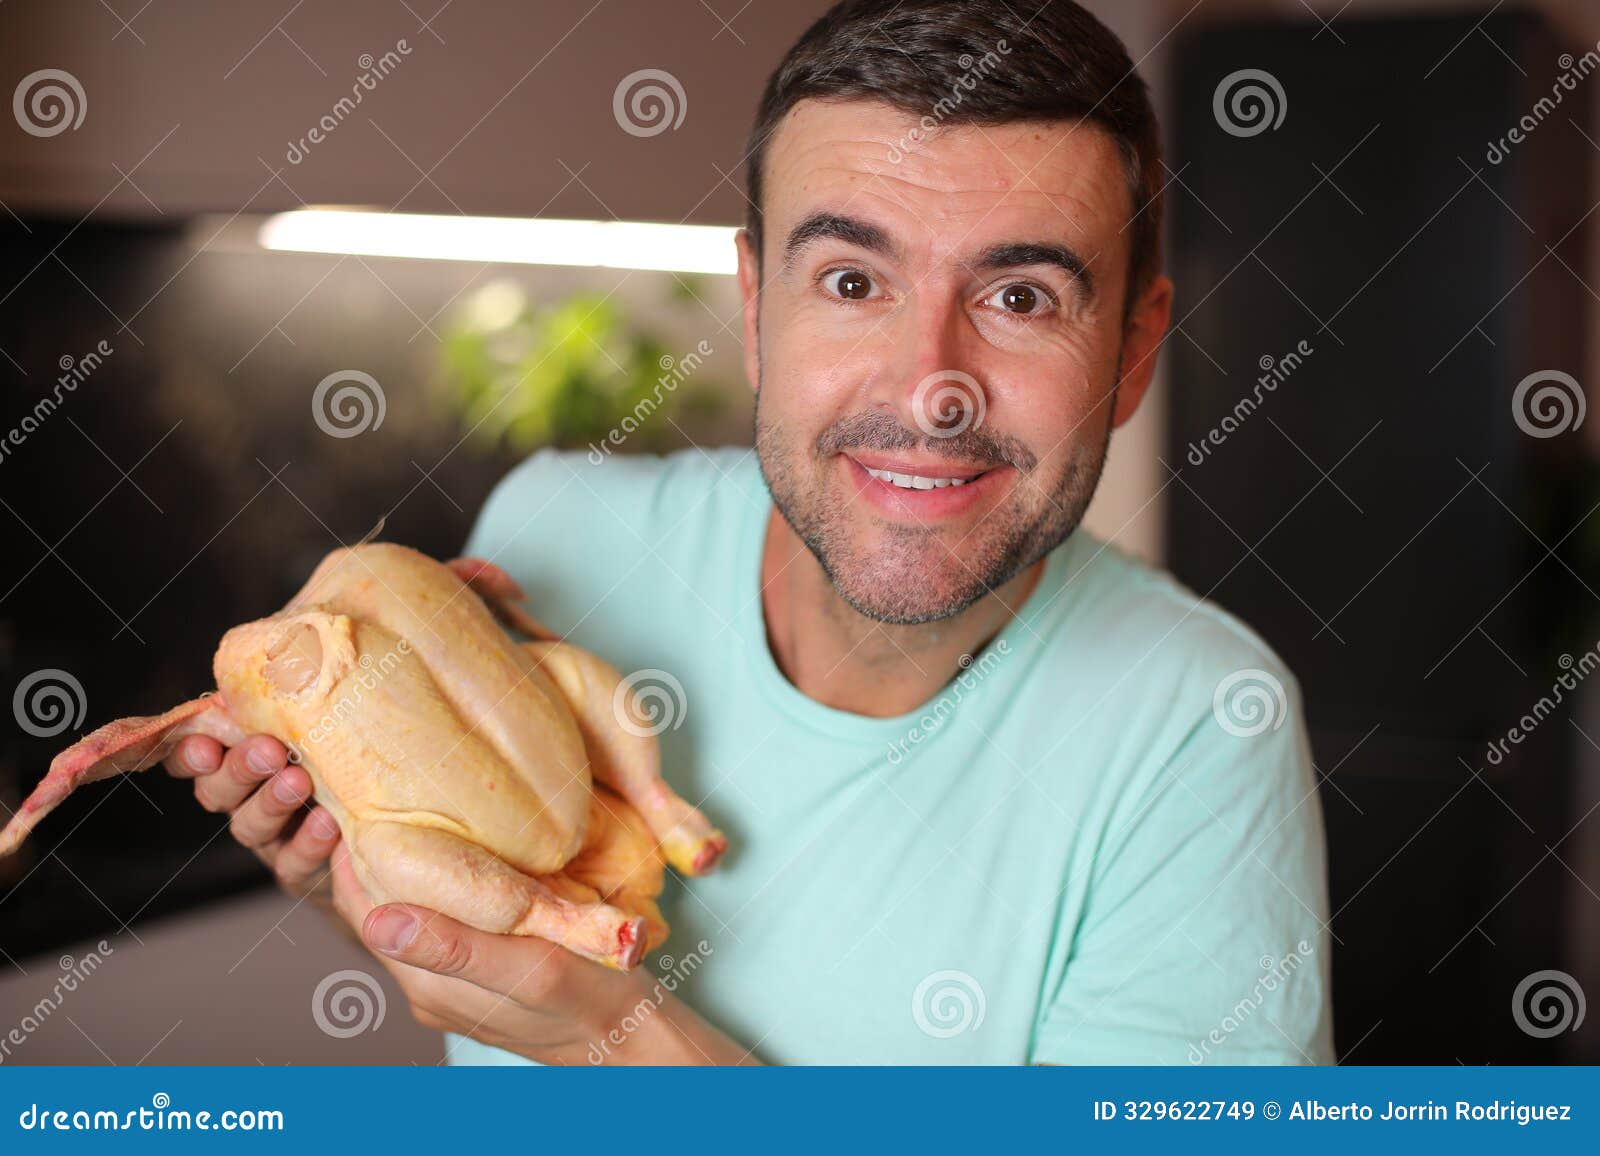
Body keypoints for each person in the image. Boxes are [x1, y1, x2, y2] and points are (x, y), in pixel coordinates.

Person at [165, 0, 1333, 1064]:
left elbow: (583, 1031)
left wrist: (617, 1044)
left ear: (1132, 346)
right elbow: (501, 963)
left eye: (1019, 296)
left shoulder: (1200, 724)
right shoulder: (552, 532)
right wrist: (351, 877)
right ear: (757, 311)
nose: (931, 388)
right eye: (849, 281)